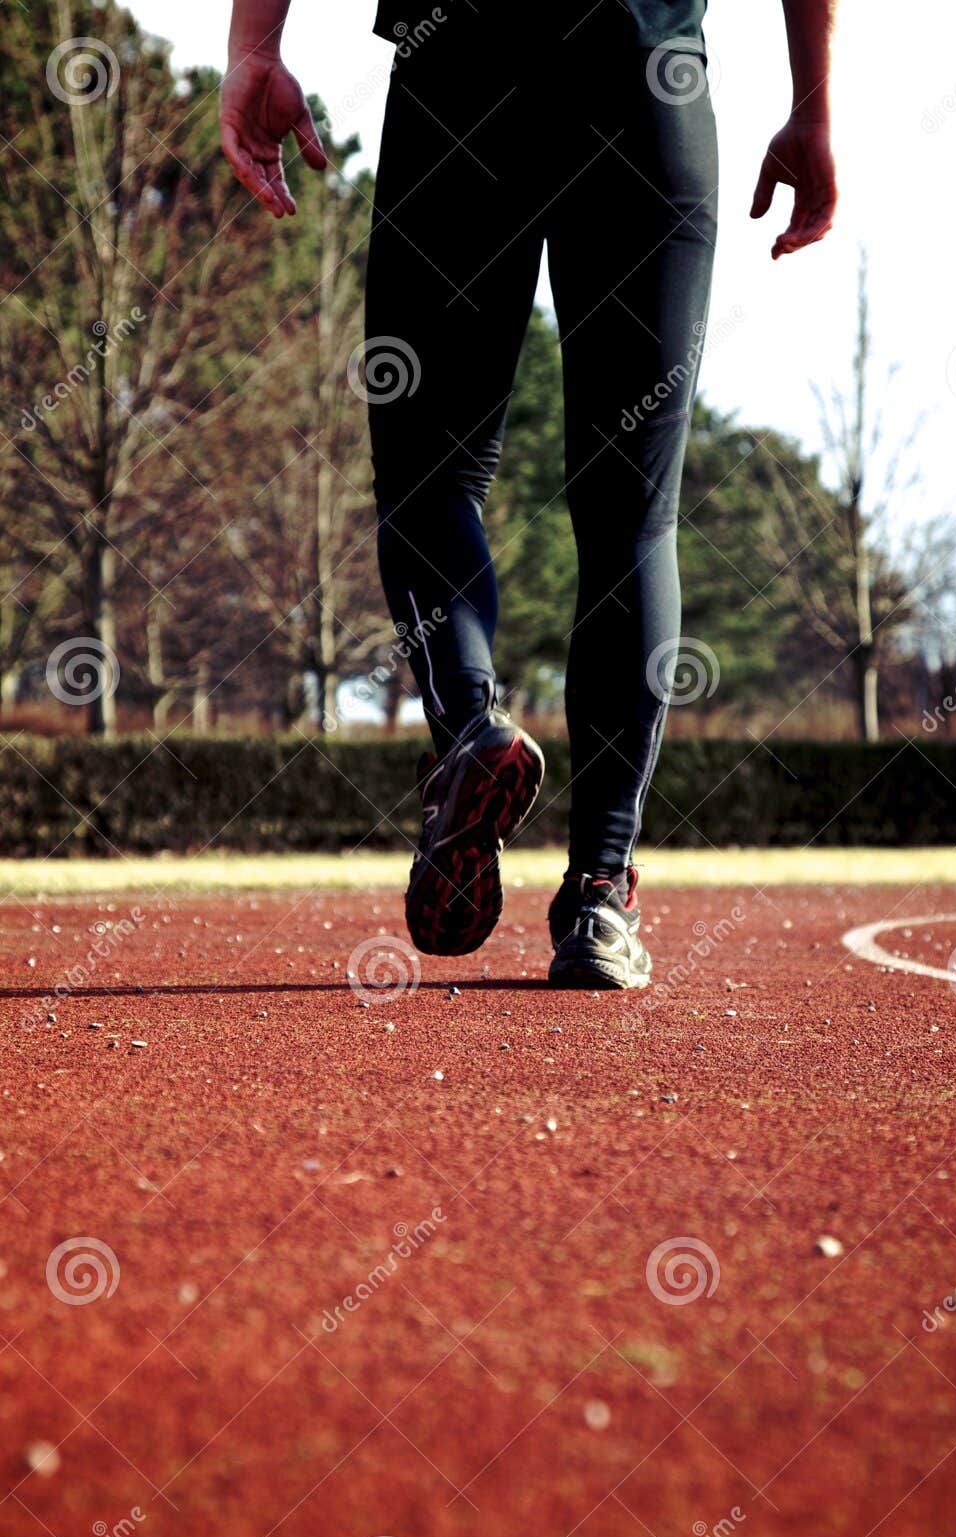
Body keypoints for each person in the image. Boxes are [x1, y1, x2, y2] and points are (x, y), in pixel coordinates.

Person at [221, 0, 837, 988]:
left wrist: (256, 47)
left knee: (428, 478)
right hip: (648, 78)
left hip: (458, 66)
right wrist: (810, 105)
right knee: (632, 513)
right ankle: (599, 888)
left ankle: (473, 729)